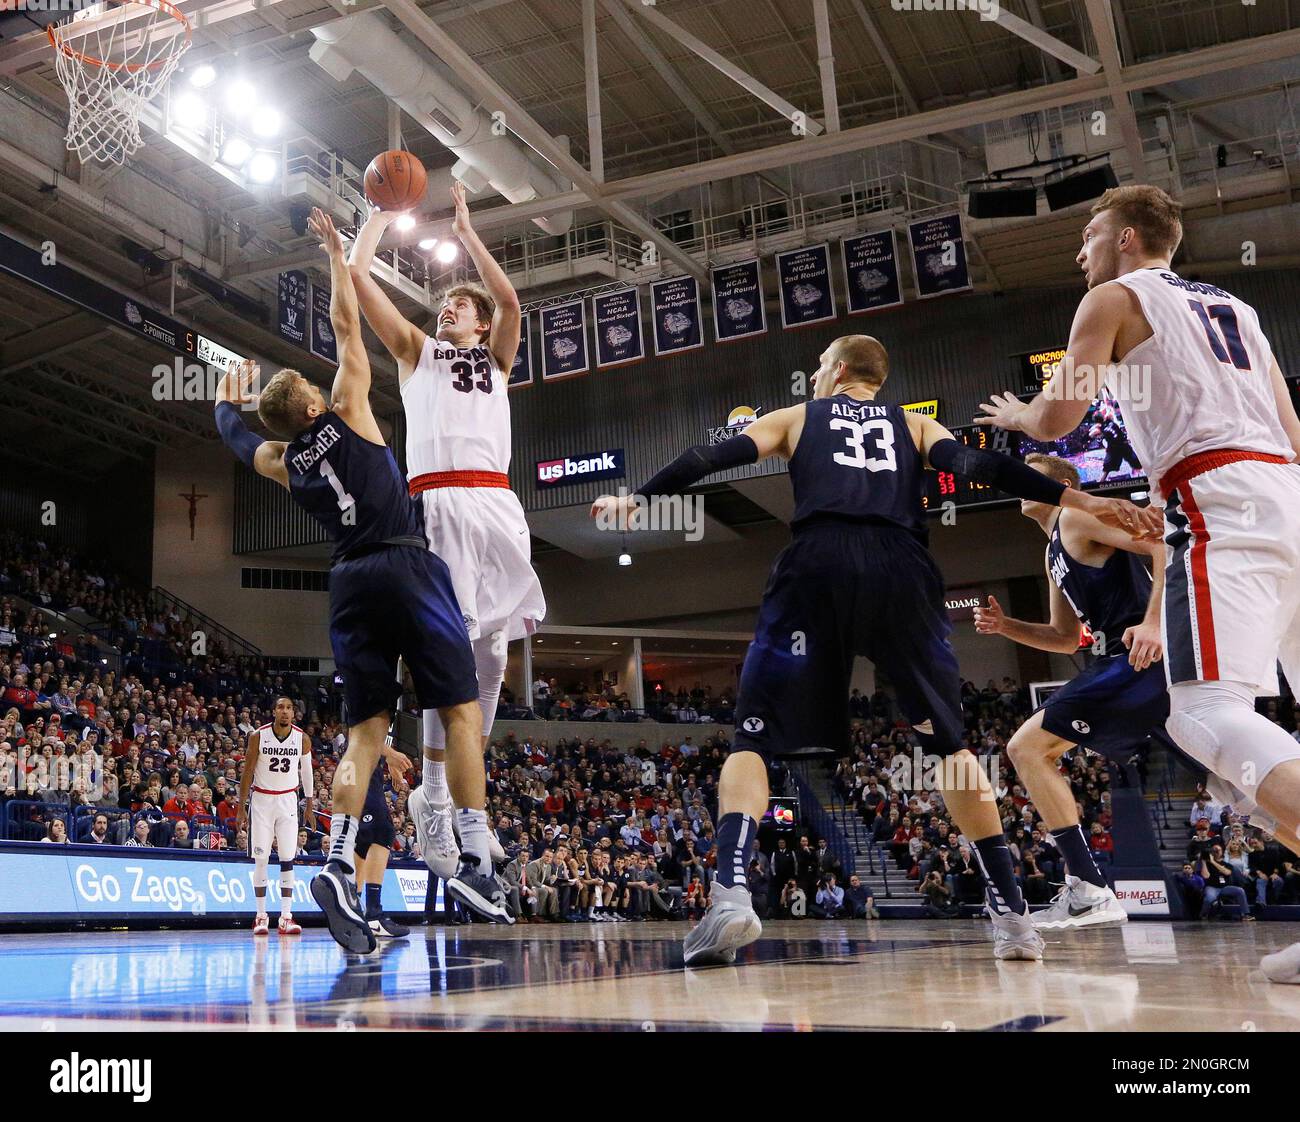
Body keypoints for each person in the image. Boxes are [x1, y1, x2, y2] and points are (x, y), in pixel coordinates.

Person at [595, 334, 1153, 967]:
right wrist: (1079, 496)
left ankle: (729, 894)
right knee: (951, 748)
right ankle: (1014, 917)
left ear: (835, 372)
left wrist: (637, 497)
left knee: (752, 741)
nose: (812, 378)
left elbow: (710, 455)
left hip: (818, 563)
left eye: (816, 369)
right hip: (903, 570)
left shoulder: (800, 417)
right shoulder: (916, 425)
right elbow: (984, 469)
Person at [976, 184, 1300, 980]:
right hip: (1287, 491)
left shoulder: (1115, 296)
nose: (1079, 252)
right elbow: (1292, 430)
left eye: (1087, 236)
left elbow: (1062, 415)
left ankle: (1086, 886)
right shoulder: (1238, 308)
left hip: (1214, 493)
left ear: (1124, 240)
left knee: (1203, 716)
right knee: (1230, 743)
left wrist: (1019, 416)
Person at [213, 207, 503, 955]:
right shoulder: (347, 408)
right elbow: (348, 326)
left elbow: (240, 441)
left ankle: (337, 861)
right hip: (405, 561)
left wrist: (222, 401)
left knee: (363, 736)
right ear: (312, 403)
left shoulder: (284, 463)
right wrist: (341, 255)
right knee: (462, 713)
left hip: (346, 583)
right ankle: (475, 855)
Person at [349, 182, 544, 890]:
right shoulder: (417, 354)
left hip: (495, 505)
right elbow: (359, 279)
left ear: (481, 322)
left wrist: (467, 232)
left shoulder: (496, 359)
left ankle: (453, 784)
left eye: (461, 304)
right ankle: (441, 801)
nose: (448, 306)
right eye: (446, 302)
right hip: (435, 506)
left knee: (492, 650)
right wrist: (373, 221)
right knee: (448, 649)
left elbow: (514, 304)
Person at [973, 451, 1170, 930]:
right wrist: (1005, 627)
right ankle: (1087, 887)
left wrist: (1154, 623)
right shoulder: (1052, 550)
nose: (1020, 484)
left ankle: (1088, 887)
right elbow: (1063, 638)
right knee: (1232, 779)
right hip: (1113, 661)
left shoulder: (1077, 515)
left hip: (1136, 655)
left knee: (1026, 748)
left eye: (1032, 477)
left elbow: (1164, 546)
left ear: (1062, 483)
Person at [236, 696, 313, 937]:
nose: (285, 712)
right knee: (261, 859)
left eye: (289, 708)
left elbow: (307, 772)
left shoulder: (302, 738)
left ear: (294, 713)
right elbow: (247, 771)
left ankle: (286, 917)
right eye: (281, 707)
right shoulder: (258, 735)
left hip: (288, 800)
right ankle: (260, 916)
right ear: (274, 712)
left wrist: (309, 804)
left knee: (288, 859)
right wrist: (241, 806)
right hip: (261, 800)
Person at [352, 735, 414, 940]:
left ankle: (353, 910)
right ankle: (373, 914)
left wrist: (389, 760)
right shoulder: (371, 707)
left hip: (368, 772)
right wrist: (392, 755)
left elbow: (377, 739)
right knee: (382, 830)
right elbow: (362, 736)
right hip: (359, 770)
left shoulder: (384, 717)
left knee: (364, 842)